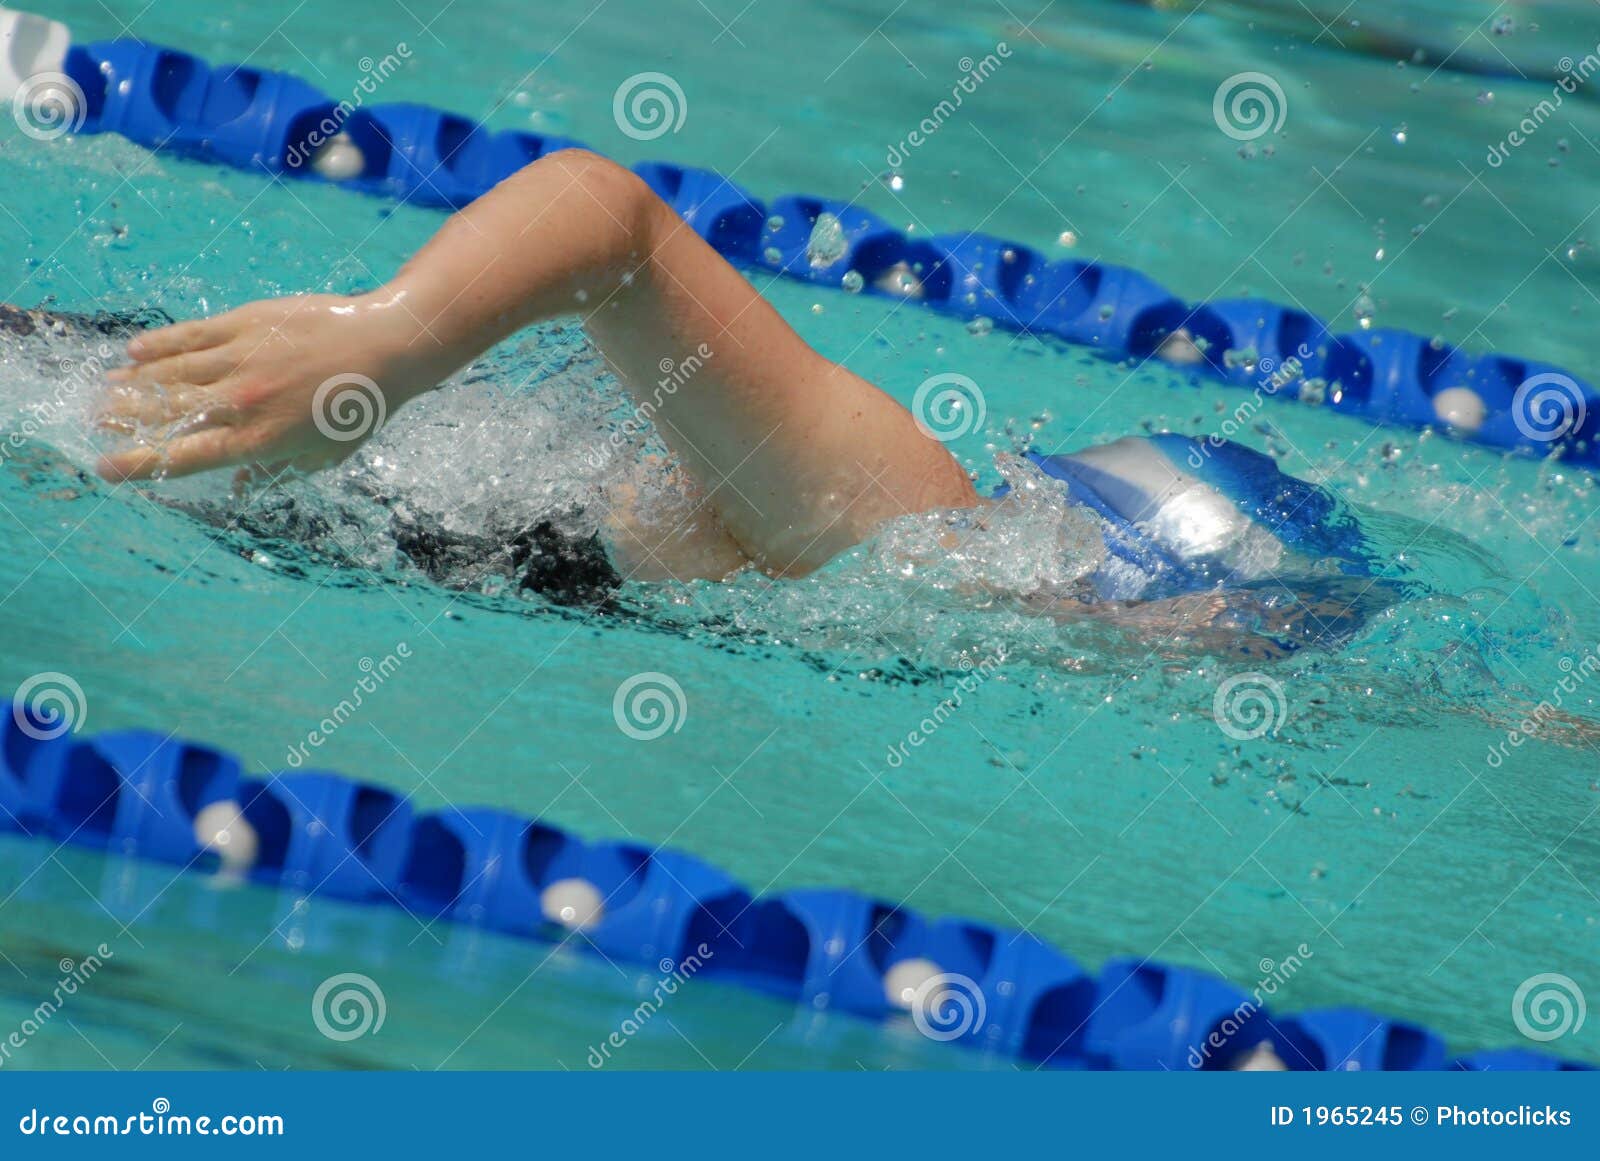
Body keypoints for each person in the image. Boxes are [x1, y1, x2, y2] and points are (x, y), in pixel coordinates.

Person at [89, 149, 1393, 648]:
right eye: (1237, 640)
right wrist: (386, 345)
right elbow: (609, 221)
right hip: (206, 435)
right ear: (1163, 595)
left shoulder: (936, 615)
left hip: (233, 492)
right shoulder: (912, 518)